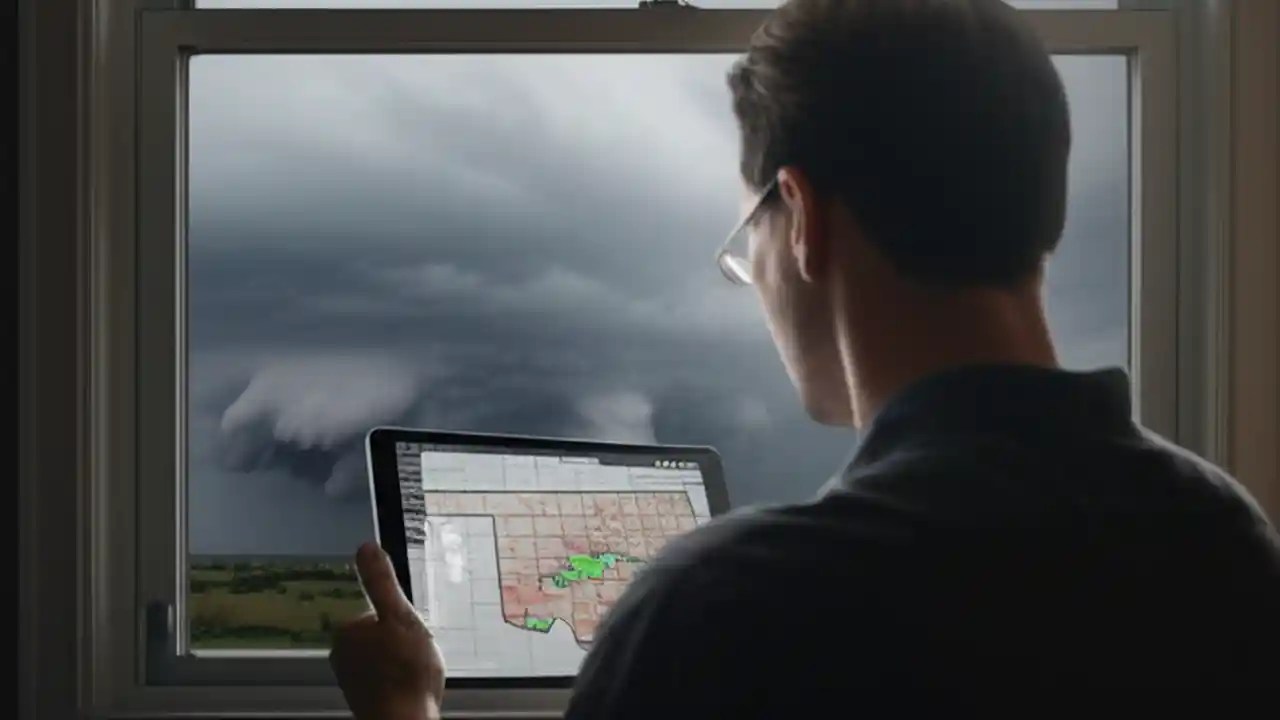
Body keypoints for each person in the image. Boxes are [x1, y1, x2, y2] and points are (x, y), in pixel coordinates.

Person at [330, 0, 1280, 715]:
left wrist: (405, 709)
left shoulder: (721, 610)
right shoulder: (1225, 541)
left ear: (805, 219)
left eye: (750, 237)